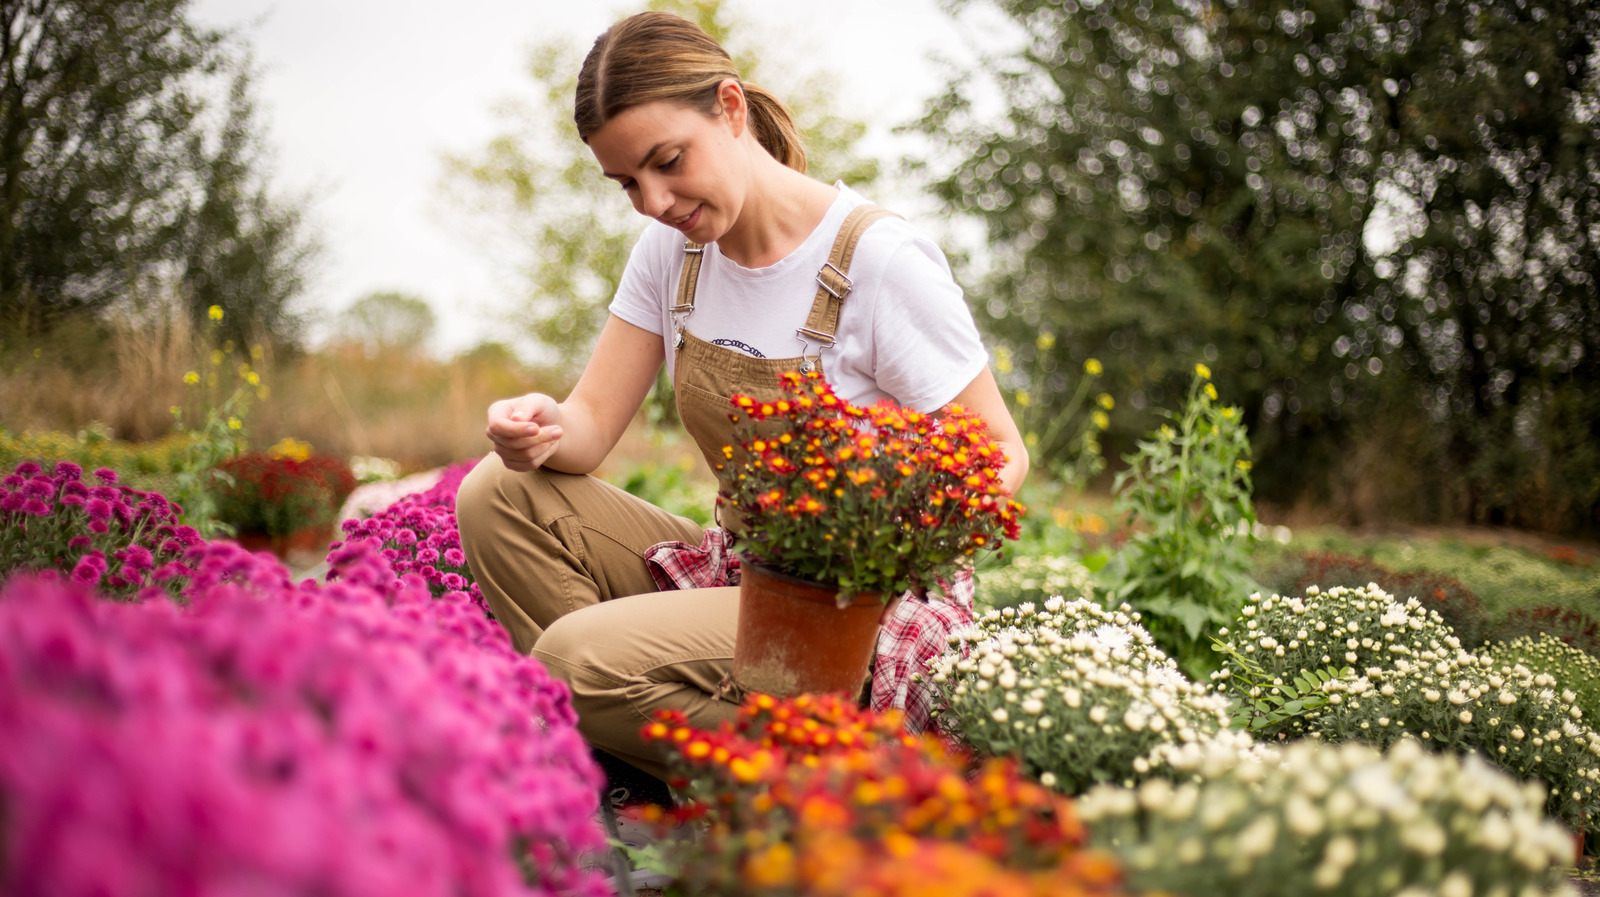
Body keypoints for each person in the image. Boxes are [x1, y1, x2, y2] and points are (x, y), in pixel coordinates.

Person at [456, 10, 1027, 789]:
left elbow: (1000, 451)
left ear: (730, 108)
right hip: (742, 571)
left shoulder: (877, 261)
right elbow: (587, 428)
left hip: (849, 610)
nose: (653, 201)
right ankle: (653, 737)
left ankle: (853, 780)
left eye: (667, 162)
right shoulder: (673, 253)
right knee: (500, 493)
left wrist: (879, 551)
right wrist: (540, 425)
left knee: (572, 659)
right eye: (627, 182)